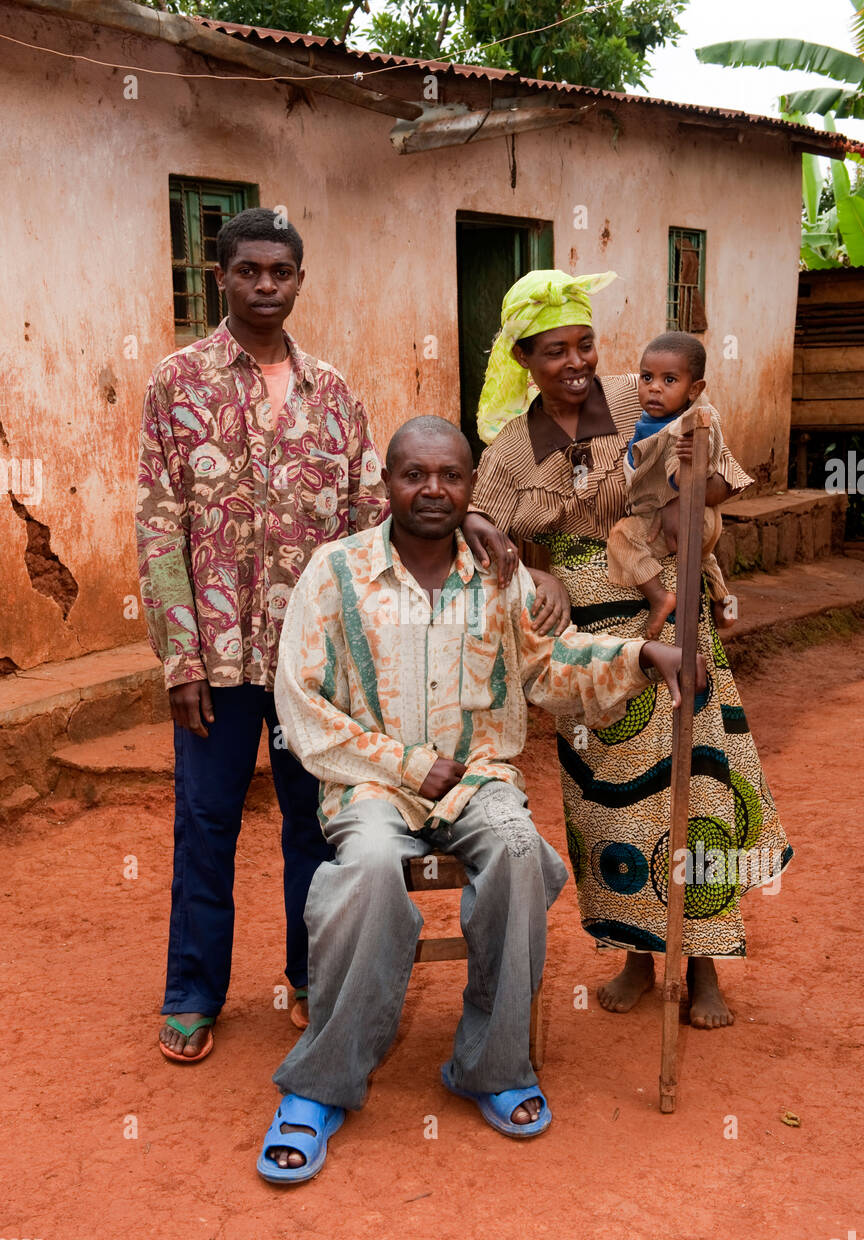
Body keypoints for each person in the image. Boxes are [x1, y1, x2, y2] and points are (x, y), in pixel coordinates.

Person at [257, 415, 698, 1183]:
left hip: (480, 780)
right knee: (366, 872)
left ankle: (492, 1066)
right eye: (414, 474)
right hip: (371, 785)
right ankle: (320, 1085)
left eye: (450, 475)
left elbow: (550, 667)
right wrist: (405, 763)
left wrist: (640, 655)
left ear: (471, 488)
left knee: (520, 852)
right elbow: (300, 706)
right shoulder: (334, 574)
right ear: (387, 483)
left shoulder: (500, 575)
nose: (433, 489)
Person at [137, 210, 529, 1061]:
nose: (265, 285)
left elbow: (376, 511)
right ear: (221, 277)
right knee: (205, 821)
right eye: (249, 271)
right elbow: (159, 525)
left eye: (280, 272)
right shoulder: (178, 382)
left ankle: (313, 974)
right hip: (219, 657)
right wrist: (180, 656)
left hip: (323, 665)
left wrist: (471, 520)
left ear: (299, 281)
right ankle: (194, 992)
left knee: (316, 824)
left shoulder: (336, 393)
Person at [472, 269, 792, 1028]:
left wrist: (689, 494)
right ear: (523, 359)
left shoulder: (636, 397)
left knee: (697, 788)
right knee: (607, 804)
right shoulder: (510, 448)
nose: (576, 362)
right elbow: (480, 523)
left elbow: (715, 463)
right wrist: (537, 572)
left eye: (585, 344)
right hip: (582, 648)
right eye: (556, 350)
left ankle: (705, 964)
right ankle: (637, 956)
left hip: (670, 620)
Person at [606, 331, 733, 639]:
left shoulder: (688, 425)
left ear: (694, 389)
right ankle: (722, 601)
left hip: (685, 514)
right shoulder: (653, 418)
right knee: (703, 556)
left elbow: (680, 476)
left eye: (669, 380)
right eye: (647, 377)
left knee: (621, 539)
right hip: (701, 518)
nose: (654, 388)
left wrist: (691, 464)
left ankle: (659, 597)